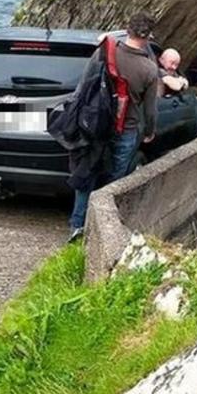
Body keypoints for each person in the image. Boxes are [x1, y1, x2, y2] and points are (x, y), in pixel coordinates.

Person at [67, 13, 160, 242]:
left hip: (95, 126)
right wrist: (149, 131)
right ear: (148, 36)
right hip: (126, 129)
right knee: (115, 179)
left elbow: (83, 86)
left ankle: (78, 226)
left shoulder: (105, 51)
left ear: (127, 30)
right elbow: (150, 109)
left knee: (87, 173)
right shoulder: (149, 69)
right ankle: (101, 230)